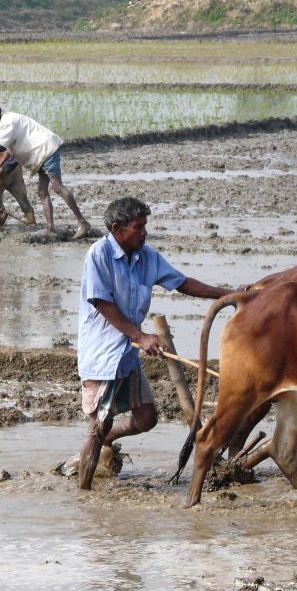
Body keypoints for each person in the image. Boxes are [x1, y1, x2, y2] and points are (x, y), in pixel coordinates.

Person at [75, 196, 233, 490]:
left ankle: (109, 438)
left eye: (145, 225)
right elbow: (101, 302)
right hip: (102, 354)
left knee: (147, 418)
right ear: (117, 228)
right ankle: (85, 495)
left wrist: (227, 294)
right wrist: (141, 336)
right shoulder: (99, 255)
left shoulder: (146, 256)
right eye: (138, 227)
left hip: (127, 354)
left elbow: (182, 282)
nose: (144, 232)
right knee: (97, 428)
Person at [0, 98, 90, 239]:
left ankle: (83, 222)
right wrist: (2, 167)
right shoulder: (6, 124)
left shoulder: (8, 121)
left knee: (57, 187)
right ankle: (50, 228)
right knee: (41, 191)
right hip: (40, 153)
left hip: (46, 149)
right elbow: (10, 151)